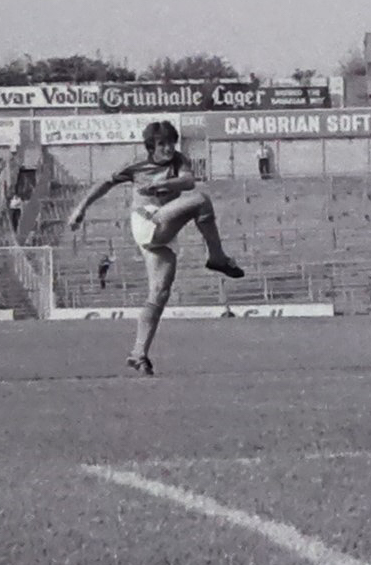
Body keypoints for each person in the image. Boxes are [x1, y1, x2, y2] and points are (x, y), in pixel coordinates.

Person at [65, 120, 246, 376]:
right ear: (151, 146)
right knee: (201, 201)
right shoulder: (136, 163)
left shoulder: (179, 160)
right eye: (162, 144)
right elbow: (106, 183)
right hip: (146, 219)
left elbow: (187, 182)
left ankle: (138, 353)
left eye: (171, 142)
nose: (168, 148)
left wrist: (162, 186)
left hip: (164, 227)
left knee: (160, 292)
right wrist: (80, 208)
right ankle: (217, 257)